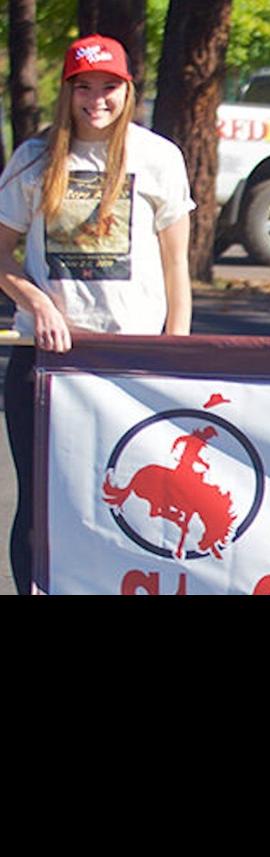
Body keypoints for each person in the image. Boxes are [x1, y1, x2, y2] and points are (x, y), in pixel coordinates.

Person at [0, 34, 194, 594]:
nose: (96, 100)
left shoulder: (158, 156)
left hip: (131, 365)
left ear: (128, 90)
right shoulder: (34, 158)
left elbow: (176, 265)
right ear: (67, 91)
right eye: (83, 87)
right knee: (40, 505)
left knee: (127, 507)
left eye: (109, 86)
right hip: (47, 360)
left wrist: (178, 353)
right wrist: (36, 301)